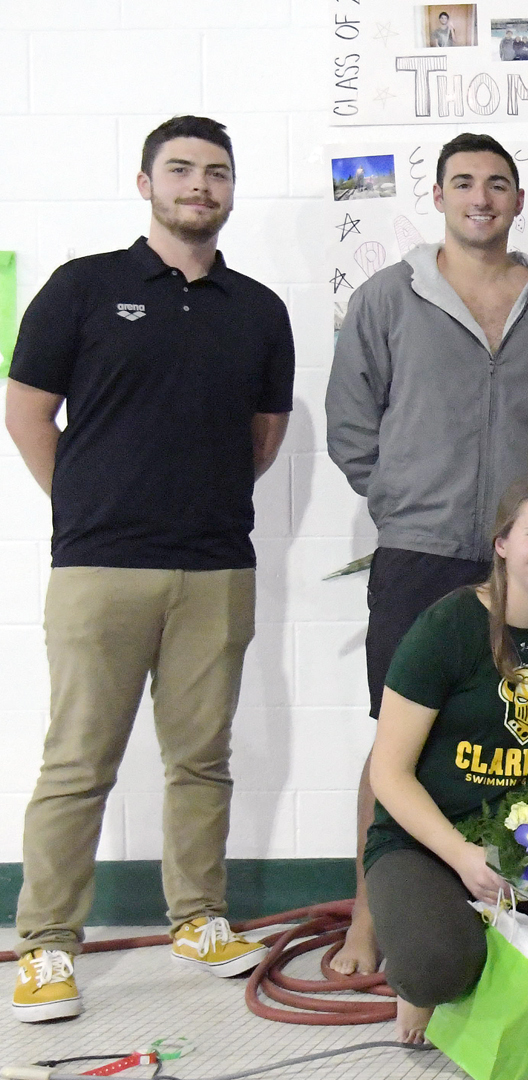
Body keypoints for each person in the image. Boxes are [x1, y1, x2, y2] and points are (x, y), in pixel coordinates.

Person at [6, 115, 293, 1021]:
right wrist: (93, 509)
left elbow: (261, 440)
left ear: (231, 189)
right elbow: (26, 415)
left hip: (215, 569)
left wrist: (185, 505)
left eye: (216, 172)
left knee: (201, 760)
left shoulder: (259, 310)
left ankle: (199, 918)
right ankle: (46, 947)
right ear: (145, 184)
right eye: (180, 170)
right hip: (100, 568)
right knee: (78, 762)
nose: (199, 186)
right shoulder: (82, 288)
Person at [328, 132, 528, 974]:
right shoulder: (387, 298)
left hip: (527, 565)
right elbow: (352, 427)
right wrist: (407, 497)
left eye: (498, 184)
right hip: (421, 550)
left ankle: (523, 893)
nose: (481, 196)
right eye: (463, 182)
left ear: (517, 201)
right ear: (437, 196)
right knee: (393, 742)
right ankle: (370, 919)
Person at [363, 474, 528, 1057]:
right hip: (423, 846)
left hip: (511, 850)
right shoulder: (448, 628)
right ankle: (429, 983)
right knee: (437, 967)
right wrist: (464, 858)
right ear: (502, 544)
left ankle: (476, 965)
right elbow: (387, 773)